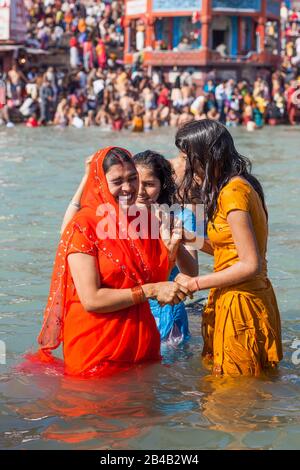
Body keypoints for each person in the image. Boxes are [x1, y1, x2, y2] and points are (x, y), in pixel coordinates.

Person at [34, 147, 191, 377]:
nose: (128, 188)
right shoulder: (84, 226)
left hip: (141, 340)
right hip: (97, 345)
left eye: (132, 178)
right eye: (117, 181)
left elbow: (154, 281)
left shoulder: (142, 220)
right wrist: (152, 289)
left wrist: (169, 254)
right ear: (99, 183)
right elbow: (92, 299)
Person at [174, 119, 282, 377]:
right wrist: (188, 237)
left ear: (207, 156)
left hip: (240, 302)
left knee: (232, 399)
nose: (184, 165)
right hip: (245, 296)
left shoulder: (232, 193)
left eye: (187, 157)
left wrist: (195, 284)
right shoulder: (242, 183)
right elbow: (230, 248)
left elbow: (249, 264)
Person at [62, 150, 198, 346]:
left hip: (166, 308)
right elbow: (69, 229)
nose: (139, 191)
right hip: (123, 308)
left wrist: (172, 240)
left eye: (149, 185)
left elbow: (191, 272)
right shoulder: (119, 216)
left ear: (162, 186)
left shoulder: (177, 216)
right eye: (136, 182)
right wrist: (87, 178)